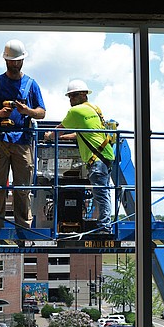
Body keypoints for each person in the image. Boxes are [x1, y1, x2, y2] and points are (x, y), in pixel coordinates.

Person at [0, 39, 46, 229]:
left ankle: (24, 226)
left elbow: (41, 112)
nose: (15, 64)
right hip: (1, 141)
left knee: (23, 188)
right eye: (12, 61)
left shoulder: (31, 85)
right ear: (6, 61)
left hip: (23, 141)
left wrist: (27, 111)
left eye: (18, 61)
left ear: (22, 61)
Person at [44, 79, 115, 232]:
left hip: (96, 158)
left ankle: (104, 227)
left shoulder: (75, 112)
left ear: (83, 95)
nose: (71, 100)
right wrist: (62, 138)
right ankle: (105, 223)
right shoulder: (95, 108)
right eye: (70, 96)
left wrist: (50, 136)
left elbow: (59, 130)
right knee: (103, 192)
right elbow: (82, 134)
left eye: (74, 96)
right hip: (105, 155)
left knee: (101, 194)